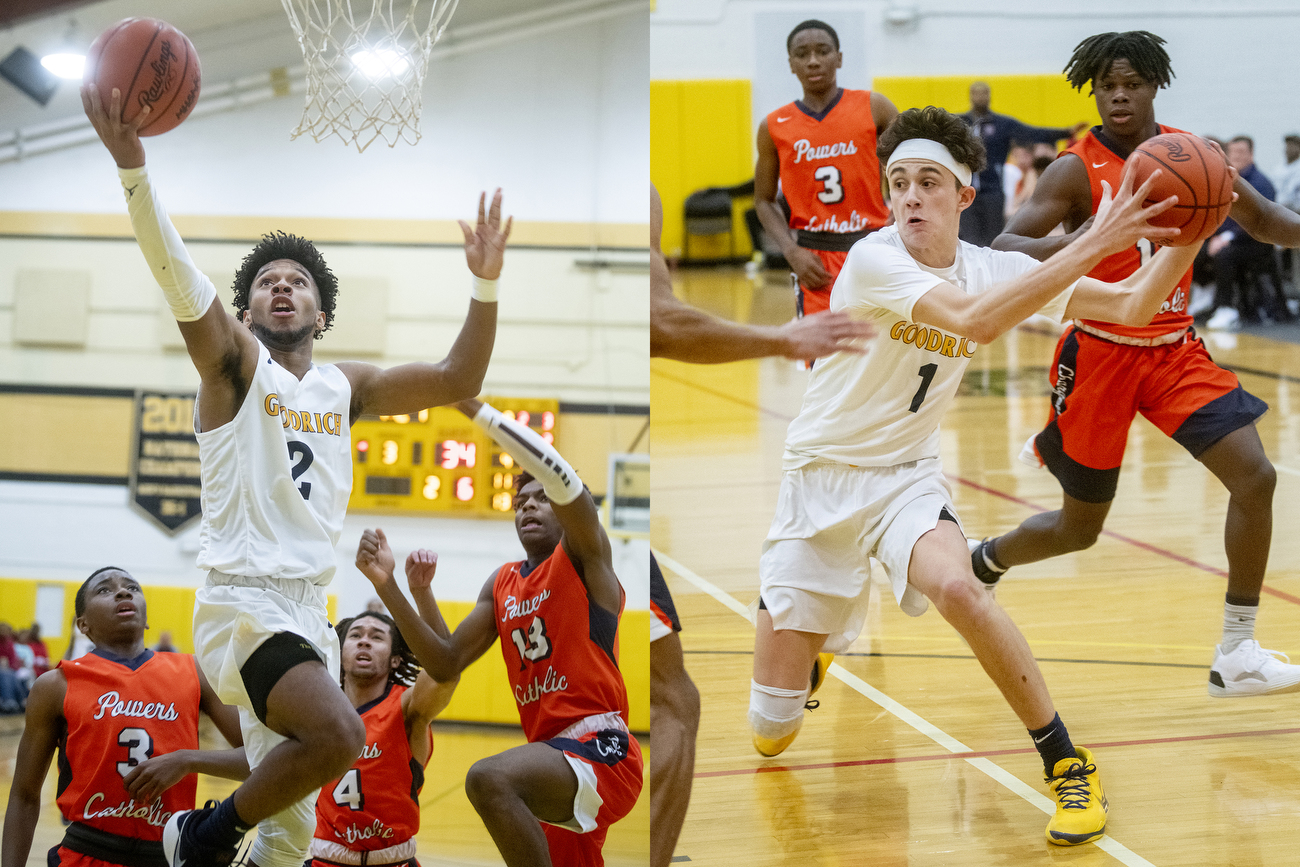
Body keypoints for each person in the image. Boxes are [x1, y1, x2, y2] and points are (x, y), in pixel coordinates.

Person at [82, 79, 511, 867]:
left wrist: (484, 283)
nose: (282, 285)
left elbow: (457, 374)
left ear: (322, 310)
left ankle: (230, 843)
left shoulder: (350, 386)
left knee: (289, 835)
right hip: (244, 601)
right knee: (341, 732)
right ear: (246, 312)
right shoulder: (236, 368)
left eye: (299, 280)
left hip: (309, 612)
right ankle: (201, 834)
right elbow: (178, 277)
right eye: (265, 282)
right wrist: (133, 170)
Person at [749, 104, 1203, 846]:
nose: (910, 197)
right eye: (898, 183)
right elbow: (976, 322)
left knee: (959, 584)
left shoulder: (998, 267)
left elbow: (1130, 303)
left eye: (929, 182)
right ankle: (811, 651)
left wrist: (1189, 234)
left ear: (964, 195)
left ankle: (1065, 761)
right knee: (770, 730)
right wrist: (1098, 236)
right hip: (820, 481)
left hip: (904, 478)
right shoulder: (874, 259)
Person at [976, 30, 1300, 697]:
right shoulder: (1074, 168)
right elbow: (1004, 245)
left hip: (1174, 348)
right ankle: (988, 558)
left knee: (1257, 476)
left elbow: (1265, 220)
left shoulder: (1196, 158)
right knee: (1078, 529)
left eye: (1132, 84)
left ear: (1155, 85)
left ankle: (1237, 650)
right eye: (1106, 86)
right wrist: (1094, 236)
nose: (1119, 96)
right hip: (1098, 353)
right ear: (1092, 90)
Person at [648, 180, 873, 866]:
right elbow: (660, 325)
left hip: (886, 472)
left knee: (669, 696)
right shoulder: (643, 201)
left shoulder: (647, 200)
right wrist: (781, 337)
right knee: (739, 723)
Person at [355, 397, 642, 867]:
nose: (527, 507)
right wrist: (391, 585)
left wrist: (475, 408)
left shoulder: (584, 556)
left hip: (600, 746)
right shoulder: (503, 581)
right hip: (549, 758)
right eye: (519, 502)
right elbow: (445, 663)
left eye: (541, 498)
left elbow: (564, 480)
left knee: (488, 779)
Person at [1, 567, 248, 867]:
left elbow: (259, 760)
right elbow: (25, 796)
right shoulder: (57, 684)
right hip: (87, 853)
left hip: (169, 854)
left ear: (145, 619)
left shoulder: (196, 672)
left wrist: (187, 760)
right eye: (104, 590)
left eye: (132, 587)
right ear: (83, 624)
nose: (122, 591)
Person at [754, 19, 898, 330]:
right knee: (824, 361)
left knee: (882, 355)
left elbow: (913, 166)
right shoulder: (773, 126)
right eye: (802, 54)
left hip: (874, 245)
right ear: (791, 64)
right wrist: (791, 252)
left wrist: (899, 216)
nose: (814, 60)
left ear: (839, 58)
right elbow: (763, 201)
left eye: (823, 51)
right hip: (815, 259)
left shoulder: (875, 107)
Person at [310, 599, 458, 867]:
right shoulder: (318, 710)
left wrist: (420, 592)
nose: (364, 642)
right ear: (340, 653)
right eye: (355, 636)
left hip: (393, 861)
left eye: (376, 637)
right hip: (325, 860)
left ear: (395, 659)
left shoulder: (408, 707)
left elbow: (446, 674)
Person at [959, 81, 1087, 247]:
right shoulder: (960, 122)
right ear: (971, 96)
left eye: (984, 93)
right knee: (968, 239)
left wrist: (1066, 132)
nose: (981, 97)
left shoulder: (1002, 124)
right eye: (977, 93)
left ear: (990, 96)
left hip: (993, 190)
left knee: (992, 239)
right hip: (965, 188)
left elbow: (1032, 133)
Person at [1205, 136, 1291, 327]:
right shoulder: (1225, 179)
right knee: (1195, 249)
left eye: (1241, 152)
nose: (1235, 156)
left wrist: (1226, 238)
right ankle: (1204, 296)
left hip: (1257, 243)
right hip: (1232, 240)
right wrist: (1212, 235)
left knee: (1224, 255)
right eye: (1232, 152)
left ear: (1251, 154)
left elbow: (1259, 221)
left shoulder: (1261, 183)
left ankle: (1225, 308)